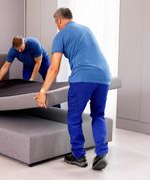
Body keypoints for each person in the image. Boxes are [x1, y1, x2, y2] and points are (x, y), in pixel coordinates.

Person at [35, 8, 111, 170]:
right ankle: (101, 154)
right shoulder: (86, 29)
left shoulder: (60, 35)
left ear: (59, 21)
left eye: (57, 23)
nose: (57, 26)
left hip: (83, 77)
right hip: (104, 76)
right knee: (98, 115)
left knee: (74, 117)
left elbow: (53, 68)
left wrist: (42, 91)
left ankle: (78, 156)